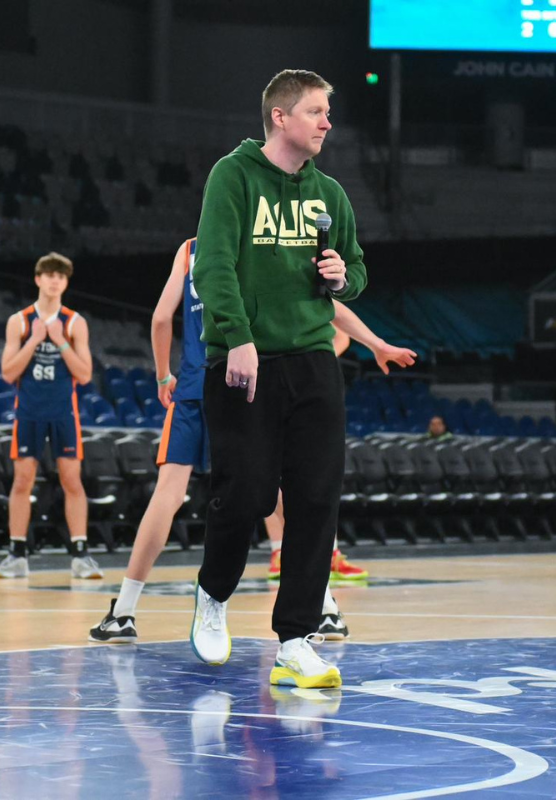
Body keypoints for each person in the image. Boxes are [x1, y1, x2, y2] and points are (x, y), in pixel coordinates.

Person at [188, 69, 368, 689]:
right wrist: (237, 336)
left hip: (315, 361)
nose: (327, 122)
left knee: (317, 501)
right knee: (248, 493)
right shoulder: (232, 177)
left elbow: (357, 274)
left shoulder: (332, 195)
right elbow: (210, 264)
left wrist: (343, 276)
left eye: (327, 112)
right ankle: (213, 595)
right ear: (280, 118)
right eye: (316, 111)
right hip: (245, 360)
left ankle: (296, 638)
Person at [88, 237, 204, 641]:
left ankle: (124, 611)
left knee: (168, 495)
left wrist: (162, 375)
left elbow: (159, 319)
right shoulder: (261, 239)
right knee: (273, 491)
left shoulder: (190, 249)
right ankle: (323, 607)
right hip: (243, 385)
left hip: (191, 389)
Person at [265, 301, 418, 585]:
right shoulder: (276, 275)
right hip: (275, 382)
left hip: (290, 381)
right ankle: (306, 553)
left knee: (286, 475)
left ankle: (293, 553)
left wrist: (310, 363)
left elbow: (341, 333)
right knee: (291, 476)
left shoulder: (298, 288)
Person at [0, 252, 101, 579]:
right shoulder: (20, 321)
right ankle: (17, 554)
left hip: (64, 413)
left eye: (61, 276)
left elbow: (84, 375)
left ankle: (80, 555)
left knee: (71, 481)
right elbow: (8, 373)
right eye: (50, 274)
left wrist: (59, 343)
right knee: (22, 481)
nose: (55, 280)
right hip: (28, 412)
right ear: (38, 279)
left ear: (66, 283)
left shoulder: (75, 323)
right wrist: (36, 340)